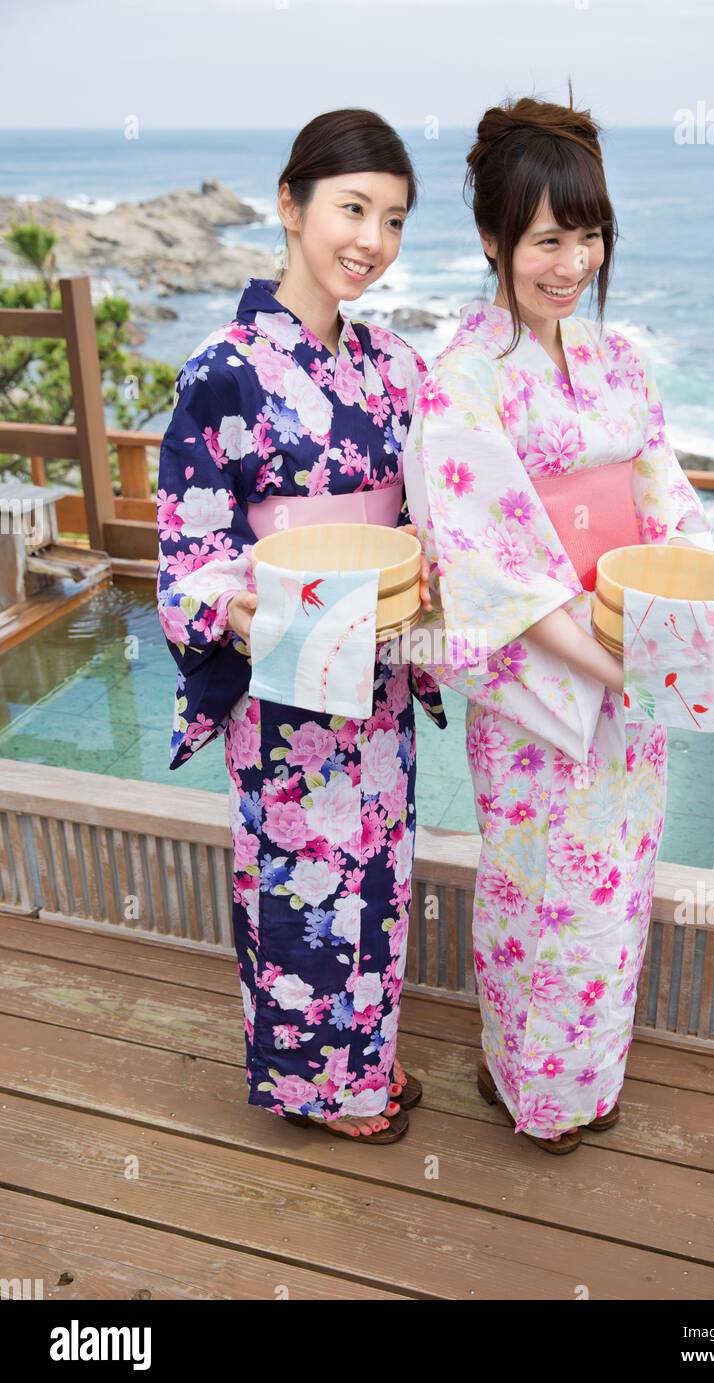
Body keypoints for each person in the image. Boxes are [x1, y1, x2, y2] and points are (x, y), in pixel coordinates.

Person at [402, 92, 714, 1154]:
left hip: (625, 651)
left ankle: (588, 1075)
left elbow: (663, 490)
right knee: (542, 884)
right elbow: (485, 560)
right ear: (491, 240)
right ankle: (534, 1087)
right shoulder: (459, 377)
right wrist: (601, 657)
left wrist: (694, 574)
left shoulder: (616, 360)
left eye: (587, 234)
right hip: (549, 674)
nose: (572, 262)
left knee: (615, 887)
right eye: (547, 238)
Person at [156, 109, 447, 1144]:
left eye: (395, 219)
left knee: (377, 877)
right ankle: (316, 1087)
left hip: (376, 671)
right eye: (352, 208)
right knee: (299, 888)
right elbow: (189, 559)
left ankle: (361, 1051)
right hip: (282, 675)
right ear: (290, 205)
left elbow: (432, 510)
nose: (371, 238)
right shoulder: (221, 372)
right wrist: (239, 605)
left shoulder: (395, 367)